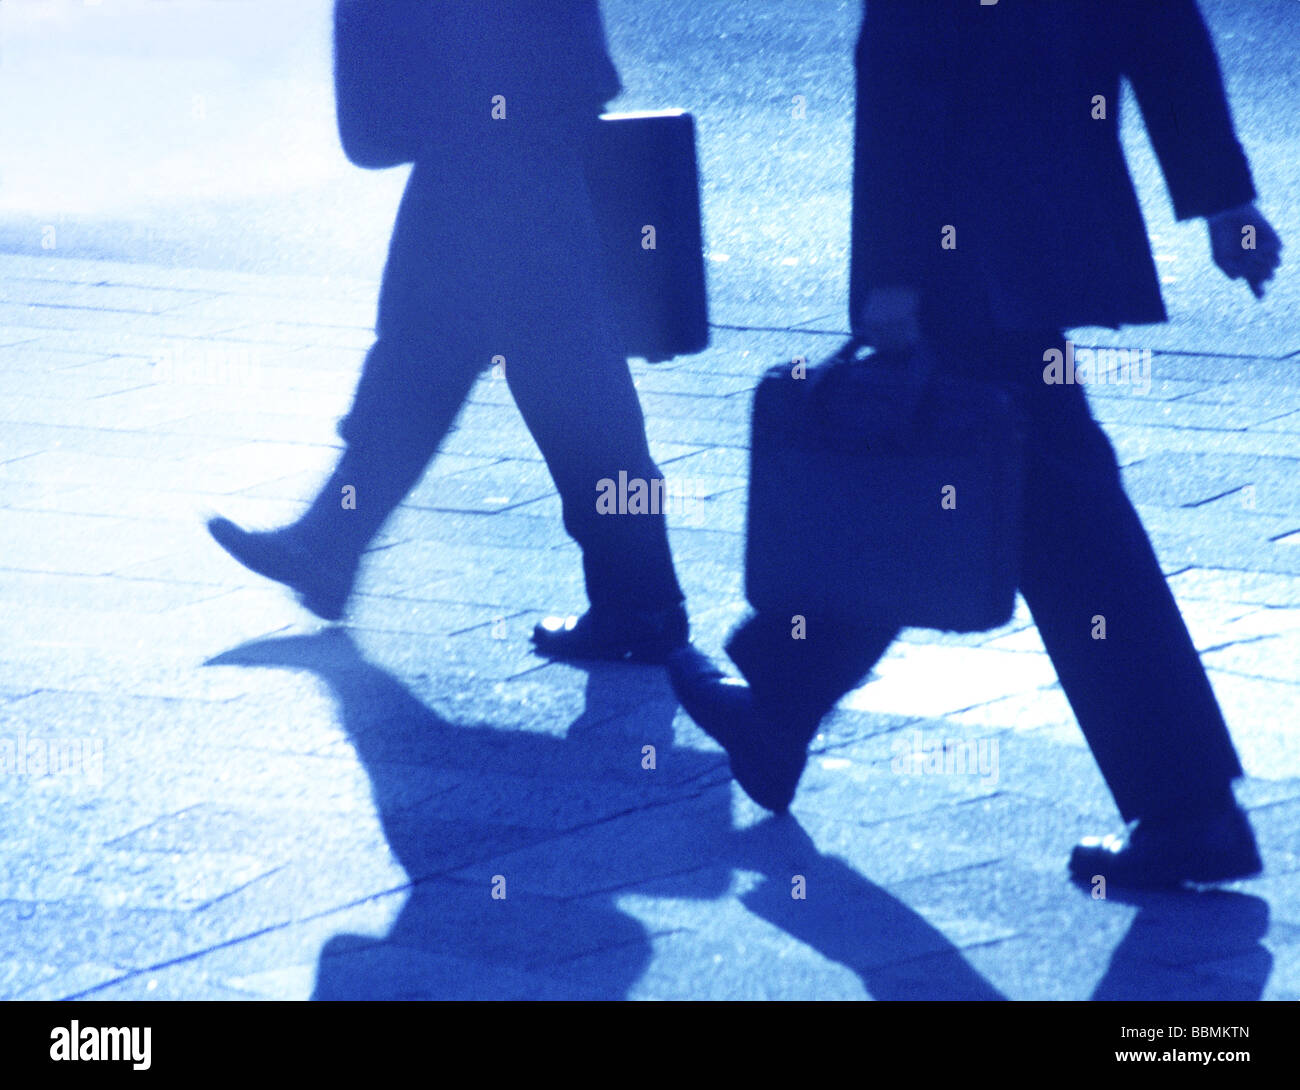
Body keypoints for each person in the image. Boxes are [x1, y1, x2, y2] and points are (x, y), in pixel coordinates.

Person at [669, 0, 1282, 889]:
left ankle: (1189, 807)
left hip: (968, 233)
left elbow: (907, 73)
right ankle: (783, 698)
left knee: (1045, 511)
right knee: (980, 477)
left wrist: (891, 272)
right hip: (1040, 220)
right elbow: (1160, 25)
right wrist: (1224, 194)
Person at [208, 1, 689, 664]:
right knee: (441, 356)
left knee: (551, 376)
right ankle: (330, 543)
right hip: (495, 128)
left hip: (504, 132)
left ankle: (641, 600)